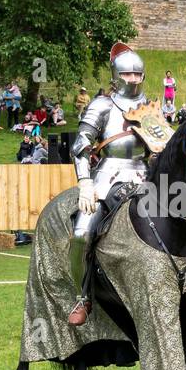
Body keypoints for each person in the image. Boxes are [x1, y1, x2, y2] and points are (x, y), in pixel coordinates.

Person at [66, 43, 157, 326]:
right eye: (127, 74)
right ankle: (83, 296)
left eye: (137, 74)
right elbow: (81, 147)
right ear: (116, 76)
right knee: (82, 233)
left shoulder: (149, 108)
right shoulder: (102, 105)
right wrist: (84, 183)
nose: (132, 79)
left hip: (145, 175)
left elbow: (162, 147)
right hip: (108, 177)